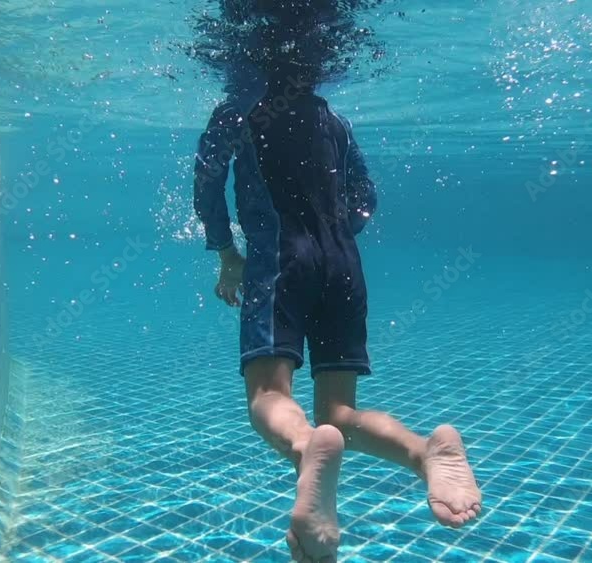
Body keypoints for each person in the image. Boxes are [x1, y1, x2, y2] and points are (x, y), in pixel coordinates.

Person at [191, 7, 482, 563]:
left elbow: (207, 184)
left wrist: (228, 254)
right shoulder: (337, 121)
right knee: (340, 416)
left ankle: (307, 450)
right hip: (343, 265)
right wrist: (332, 238)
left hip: (278, 261)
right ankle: (427, 454)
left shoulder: (236, 109)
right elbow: (365, 199)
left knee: (271, 397)